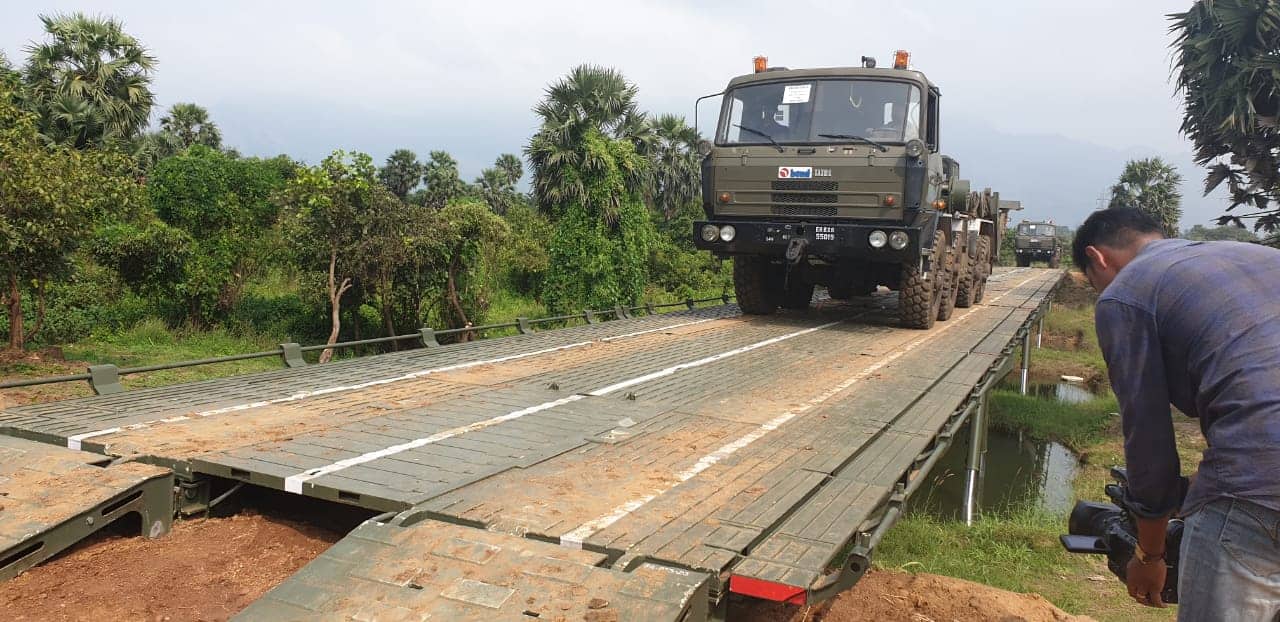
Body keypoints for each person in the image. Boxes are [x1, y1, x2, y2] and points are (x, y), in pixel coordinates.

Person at [1072, 207, 1280, 621]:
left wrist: (1149, 554)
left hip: (1257, 486)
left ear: (1098, 258)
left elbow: (1148, 442)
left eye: (1095, 285)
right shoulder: (1256, 256)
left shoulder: (1126, 292)